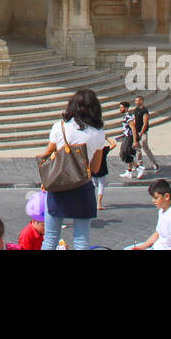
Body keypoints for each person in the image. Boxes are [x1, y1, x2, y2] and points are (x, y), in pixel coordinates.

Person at [37, 88, 108, 250]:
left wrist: (45, 178)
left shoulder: (59, 127)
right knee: (81, 240)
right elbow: (95, 168)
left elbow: (47, 154)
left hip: (58, 185)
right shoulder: (98, 134)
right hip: (82, 187)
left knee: (50, 238)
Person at [129, 179, 171, 250]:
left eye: (156, 198)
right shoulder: (162, 211)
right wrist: (142, 246)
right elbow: (158, 233)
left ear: (166, 196)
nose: (153, 201)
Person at [132, 95, 159, 174]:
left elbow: (145, 123)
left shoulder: (144, 111)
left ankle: (154, 163)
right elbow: (135, 120)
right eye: (135, 101)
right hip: (136, 132)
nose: (135, 102)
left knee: (145, 147)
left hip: (142, 132)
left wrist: (141, 133)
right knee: (137, 149)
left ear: (141, 101)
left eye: (137, 101)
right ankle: (140, 164)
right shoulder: (136, 109)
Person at [94, 130, 118, 209]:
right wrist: (107, 138)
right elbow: (114, 144)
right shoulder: (103, 149)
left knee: (92, 186)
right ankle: (99, 204)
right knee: (101, 186)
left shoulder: (91, 149)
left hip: (93, 170)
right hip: (102, 169)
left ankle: (92, 202)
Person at [117, 101, 137, 178]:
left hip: (129, 137)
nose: (120, 109)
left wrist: (134, 141)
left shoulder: (128, 117)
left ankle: (138, 167)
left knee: (124, 153)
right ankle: (129, 171)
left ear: (125, 108)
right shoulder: (126, 116)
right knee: (126, 153)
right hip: (126, 137)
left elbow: (133, 128)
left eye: (121, 107)